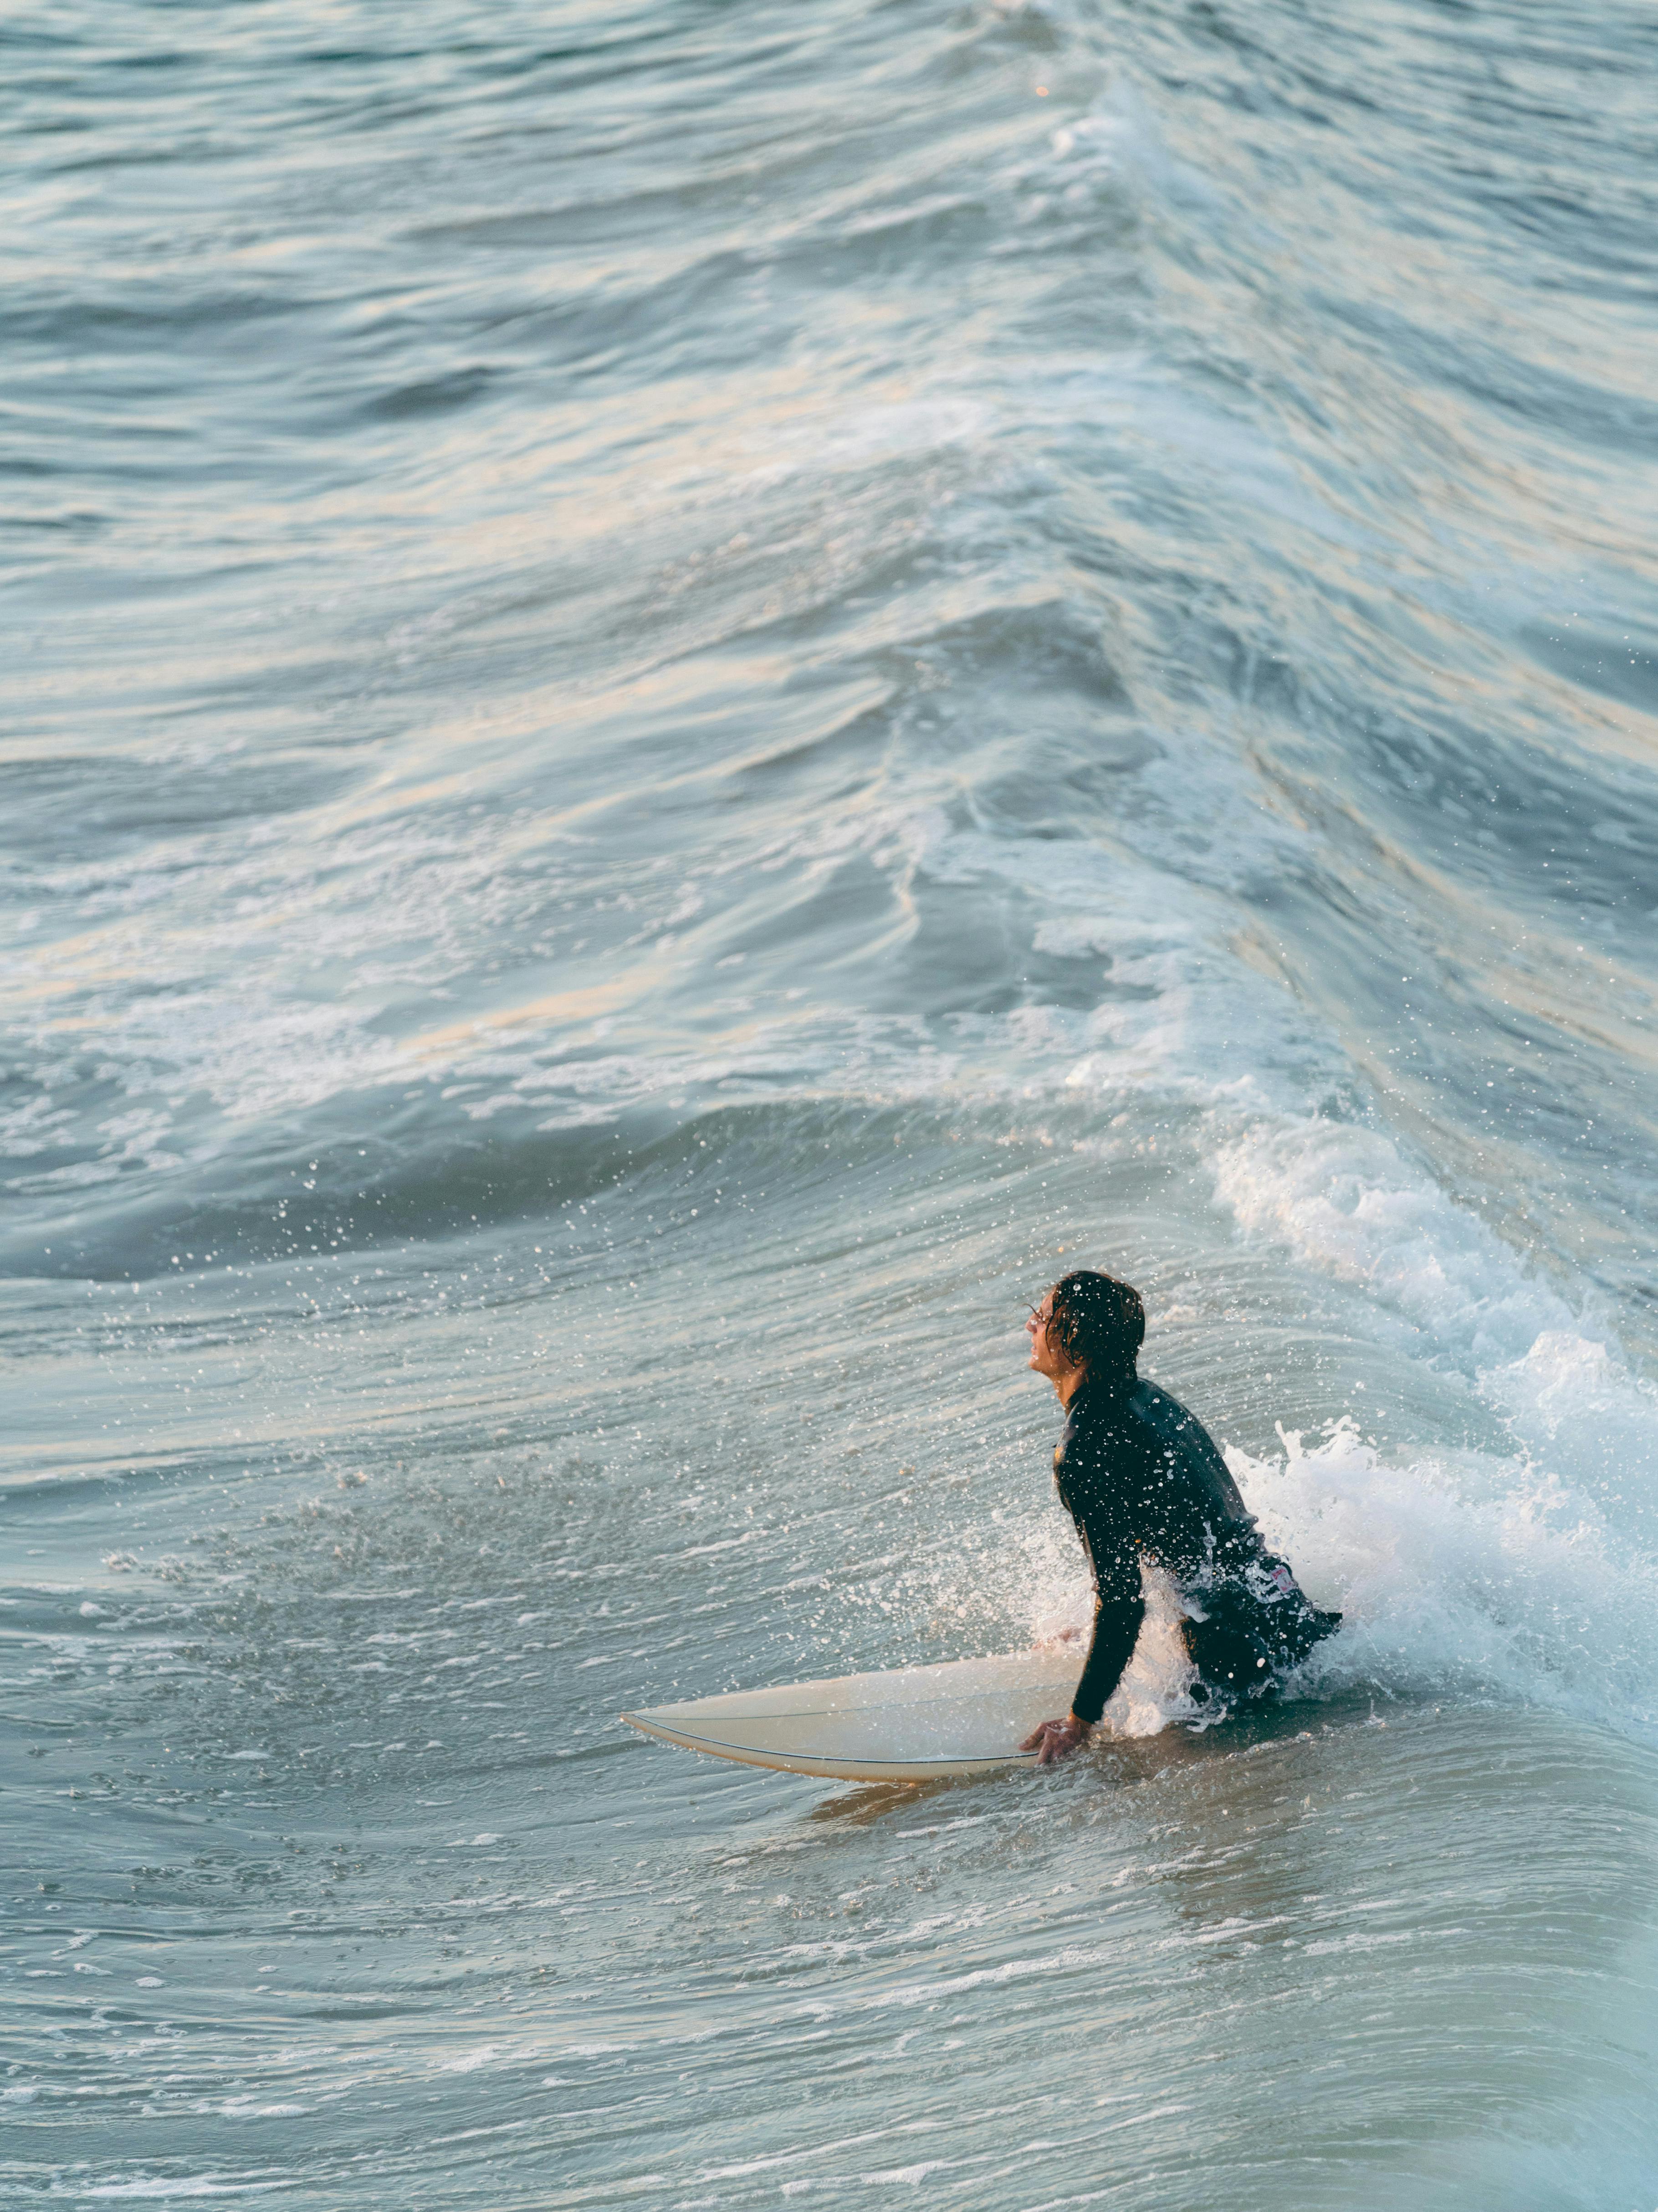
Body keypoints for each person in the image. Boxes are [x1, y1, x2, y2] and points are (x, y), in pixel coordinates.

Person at [1018, 1268, 1340, 1765]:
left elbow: (1124, 1601)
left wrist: (1079, 1721)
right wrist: (1090, 1629)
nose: (1029, 1328)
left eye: (1040, 1318)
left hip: (1234, 1661)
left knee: (1138, 1777)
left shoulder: (1084, 1448)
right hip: (1281, 1605)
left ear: (1072, 1343)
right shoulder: (1148, 1399)